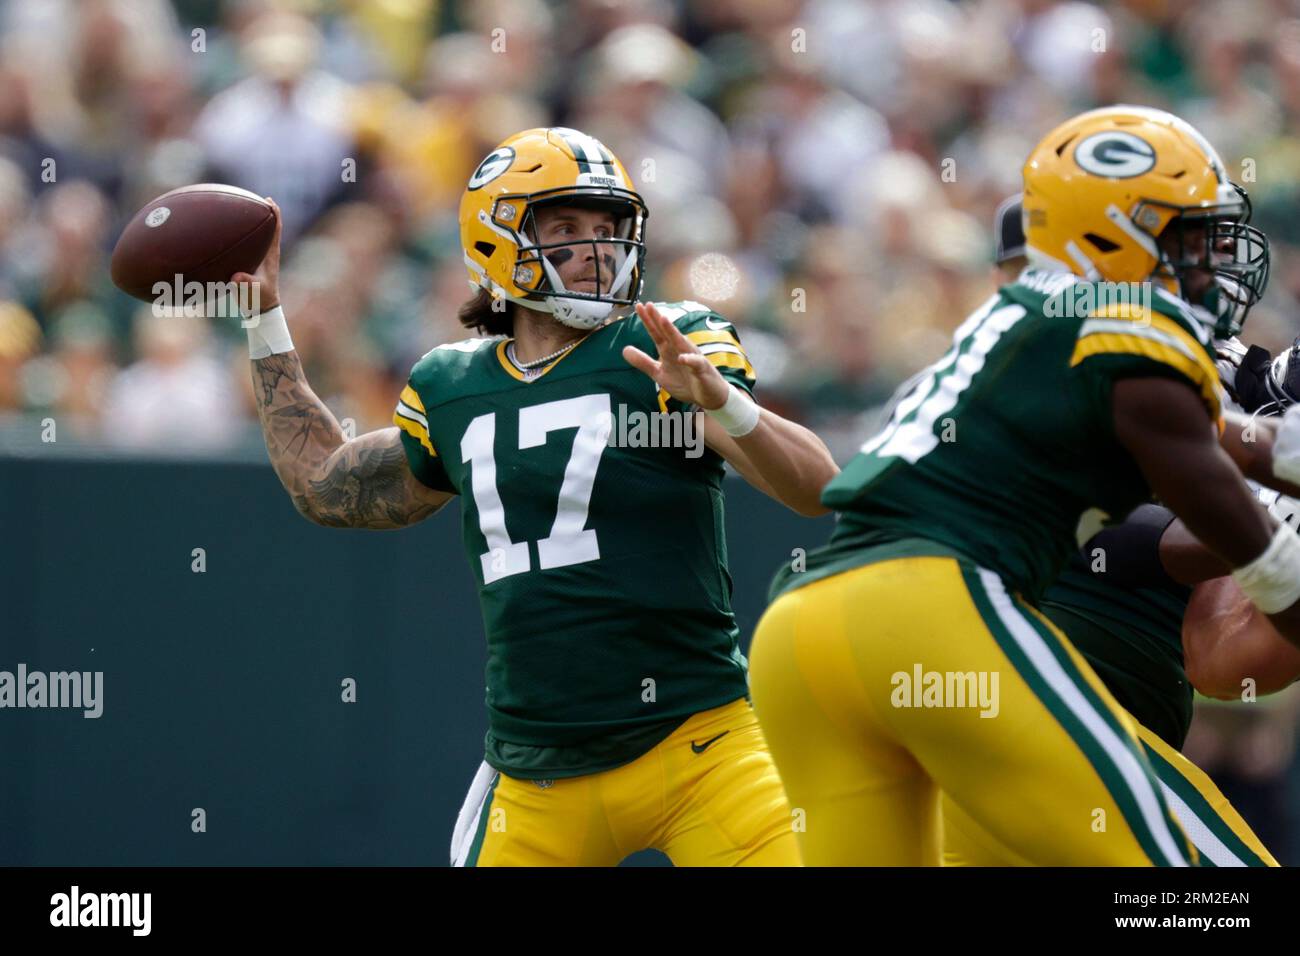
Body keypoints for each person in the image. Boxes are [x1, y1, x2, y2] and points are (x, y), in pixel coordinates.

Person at [235, 126, 838, 866]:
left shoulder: (663, 348)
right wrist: (265, 319)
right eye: (565, 228)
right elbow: (326, 485)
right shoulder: (451, 386)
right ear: (496, 240)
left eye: (607, 228)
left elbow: (816, 490)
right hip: (535, 775)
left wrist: (724, 405)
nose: (595, 248)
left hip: (702, 747)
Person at [748, 105, 1300, 866]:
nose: (1205, 265)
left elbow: (1224, 438)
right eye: (1188, 238)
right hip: (928, 616)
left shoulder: (1009, 336)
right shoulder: (1121, 321)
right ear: (1111, 235)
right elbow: (1214, 470)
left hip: (798, 636)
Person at [938, 195, 1294, 867]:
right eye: (1191, 242)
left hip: (1094, 733)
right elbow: (1130, 543)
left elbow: (1219, 659)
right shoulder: (1045, 362)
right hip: (1043, 716)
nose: (1215, 263)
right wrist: (1271, 504)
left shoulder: (1213, 372)